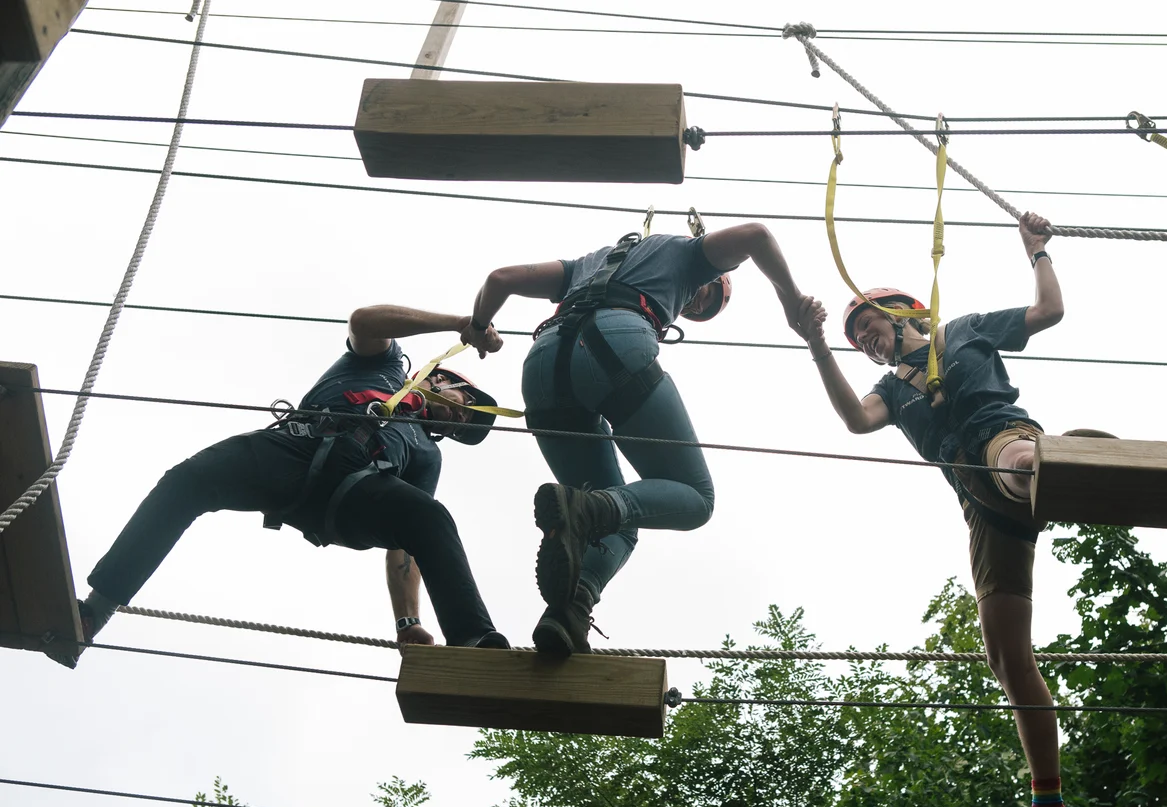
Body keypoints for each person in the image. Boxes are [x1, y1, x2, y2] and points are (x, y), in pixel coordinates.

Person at [792, 211, 1085, 807]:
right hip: (978, 503)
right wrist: (816, 347)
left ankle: (1085, 465)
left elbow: (1049, 311)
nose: (865, 342)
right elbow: (853, 420)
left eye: (869, 328)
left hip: (1004, 442)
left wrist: (1037, 251)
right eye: (857, 339)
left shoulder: (964, 331)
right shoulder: (891, 392)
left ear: (904, 315)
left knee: (1016, 465)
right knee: (1004, 655)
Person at [60, 304, 510, 666]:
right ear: (444, 377)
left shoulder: (427, 453)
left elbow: (407, 548)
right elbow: (364, 322)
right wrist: (460, 323)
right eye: (467, 405)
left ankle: (473, 640)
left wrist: (406, 620)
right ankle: (94, 612)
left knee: (430, 517)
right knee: (186, 482)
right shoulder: (386, 365)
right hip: (293, 448)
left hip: (353, 491)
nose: (463, 417)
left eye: (467, 423)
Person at [465, 225, 824, 655]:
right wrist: (792, 302)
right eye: (706, 295)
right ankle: (594, 507)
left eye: (702, 309)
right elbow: (756, 236)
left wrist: (479, 325)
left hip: (542, 365)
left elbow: (500, 279)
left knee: (618, 525)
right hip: (615, 342)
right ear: (713, 275)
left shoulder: (583, 266)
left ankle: (567, 612)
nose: (697, 302)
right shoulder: (688, 255)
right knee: (695, 498)